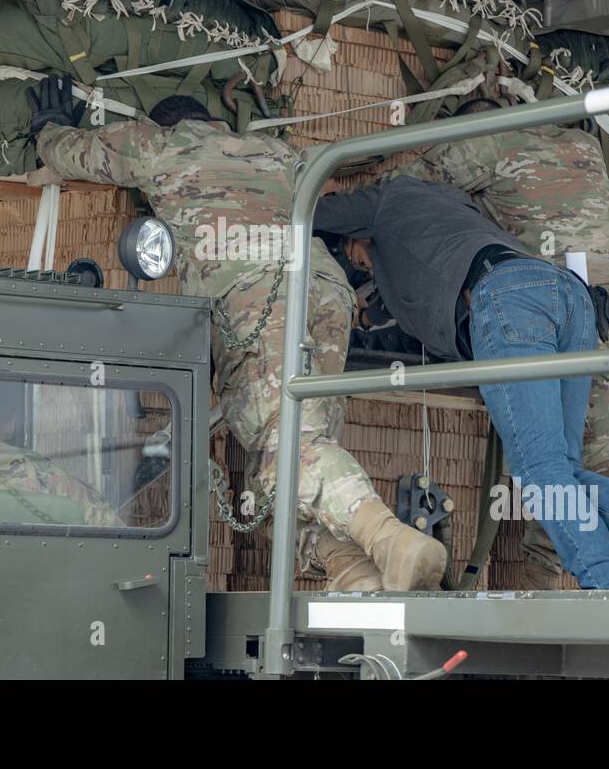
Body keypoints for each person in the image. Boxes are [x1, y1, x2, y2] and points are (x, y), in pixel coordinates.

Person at [29, 77, 445, 591]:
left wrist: (47, 128)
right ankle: (351, 569)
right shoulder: (276, 151)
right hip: (324, 289)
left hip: (257, 300)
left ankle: (390, 540)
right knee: (287, 456)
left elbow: (74, 153)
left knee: (289, 442)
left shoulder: (158, 144)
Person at [314, 176, 609, 589]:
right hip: (569, 297)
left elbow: (307, 213)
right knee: (562, 470)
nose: (369, 269)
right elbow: (397, 314)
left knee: (539, 471)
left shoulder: (381, 202)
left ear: (355, 234)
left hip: (508, 298)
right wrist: (359, 317)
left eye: (359, 261)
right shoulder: (445, 211)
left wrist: (320, 193)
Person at [392, 94, 609, 587]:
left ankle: (554, 588)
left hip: (553, 306)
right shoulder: (581, 144)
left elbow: (408, 183)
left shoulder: (488, 142)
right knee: (598, 459)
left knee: (553, 463)